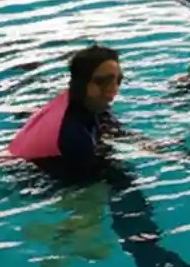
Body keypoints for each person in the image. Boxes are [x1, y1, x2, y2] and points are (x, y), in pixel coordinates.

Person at [8, 45, 123, 180]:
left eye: (117, 81)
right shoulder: (73, 134)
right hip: (35, 173)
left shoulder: (89, 104)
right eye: (101, 82)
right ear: (81, 84)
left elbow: (112, 129)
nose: (113, 90)